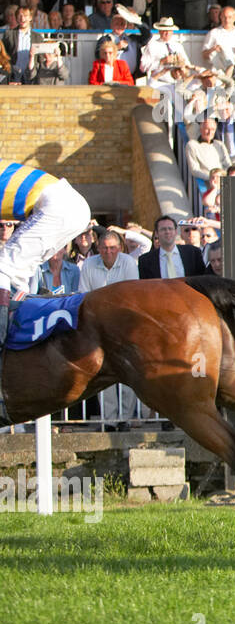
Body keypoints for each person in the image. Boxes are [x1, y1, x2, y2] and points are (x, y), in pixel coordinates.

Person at [0, 162, 92, 337]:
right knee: (19, 270)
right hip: (69, 205)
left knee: (3, 265)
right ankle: (20, 315)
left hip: (57, 207)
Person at [78, 229, 139, 430]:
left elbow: (131, 297)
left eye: (113, 248)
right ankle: (110, 420)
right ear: (98, 248)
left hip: (123, 326)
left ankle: (125, 419)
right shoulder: (88, 264)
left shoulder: (128, 263)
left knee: (127, 372)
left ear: (120, 248)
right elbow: (83, 296)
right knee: (104, 374)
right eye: (104, 248)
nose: (109, 251)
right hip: (98, 327)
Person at [137, 214, 206, 278]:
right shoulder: (145, 260)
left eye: (170, 228)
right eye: (163, 229)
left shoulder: (193, 253)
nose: (167, 232)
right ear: (157, 233)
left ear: (176, 232)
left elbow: (202, 279)